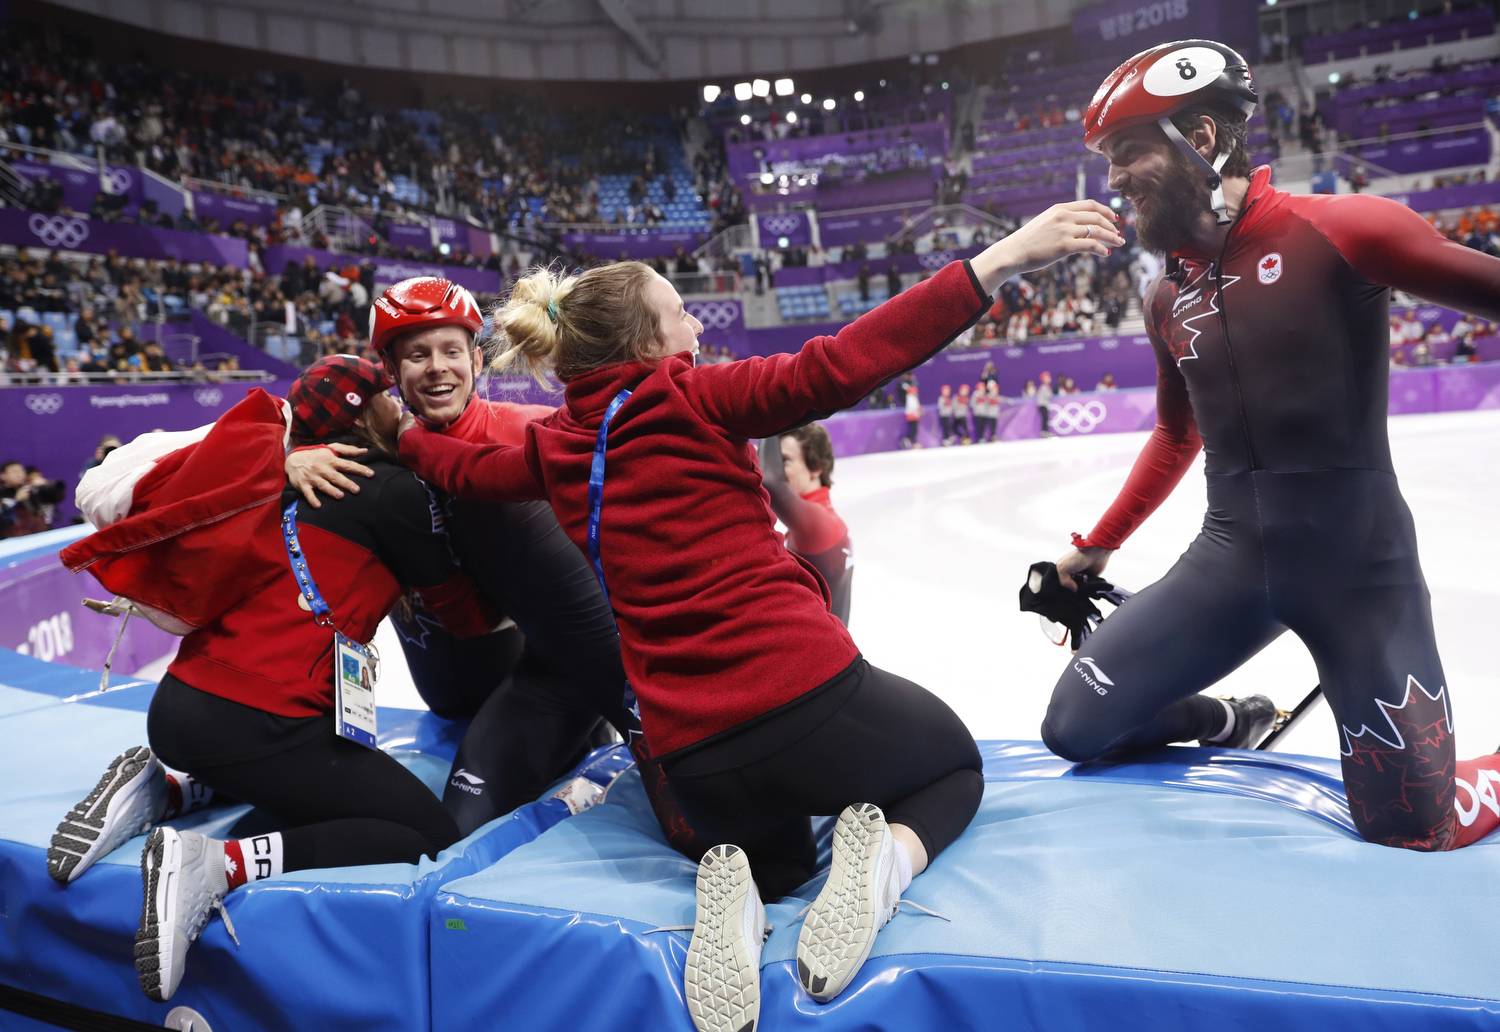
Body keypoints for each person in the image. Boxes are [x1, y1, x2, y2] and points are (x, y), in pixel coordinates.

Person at [396, 200, 1123, 1032]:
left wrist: (398, 435)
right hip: (803, 695)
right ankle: (884, 863)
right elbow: (845, 361)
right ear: (644, 343)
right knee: (952, 767)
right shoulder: (698, 397)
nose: (696, 330)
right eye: (681, 316)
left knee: (775, 865)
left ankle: (736, 883)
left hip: (691, 757)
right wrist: (996, 262)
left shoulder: (554, 448)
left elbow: (461, 466)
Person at [1045, 39, 1500, 852]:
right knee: (1075, 728)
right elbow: (1175, 432)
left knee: (1415, 825)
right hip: (1230, 563)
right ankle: (1232, 718)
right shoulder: (1164, 297)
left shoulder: (1344, 229)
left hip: (1360, 573)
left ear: (1204, 138)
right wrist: (1097, 547)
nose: (1111, 181)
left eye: (1126, 153)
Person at [52, 356, 496, 1002]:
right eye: (385, 397)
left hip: (182, 704)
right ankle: (216, 865)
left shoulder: (280, 475)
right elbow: (464, 615)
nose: (399, 405)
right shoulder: (393, 491)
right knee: (425, 831)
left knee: (315, 790)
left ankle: (168, 795)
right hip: (260, 717)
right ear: (361, 412)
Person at [286, 277, 699, 848]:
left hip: (607, 670)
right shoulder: (375, 458)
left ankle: (592, 760)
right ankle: (581, 763)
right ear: (389, 369)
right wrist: (290, 453)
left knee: (711, 828)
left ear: (476, 359)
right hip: (526, 676)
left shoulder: (529, 431)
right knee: (456, 830)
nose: (437, 369)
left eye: (452, 352)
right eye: (417, 355)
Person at [758, 425, 853, 625]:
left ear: (816, 467)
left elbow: (771, 481)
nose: (775, 467)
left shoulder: (820, 525)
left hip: (822, 652)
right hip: (832, 649)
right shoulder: (827, 521)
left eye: (784, 461)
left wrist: (768, 417)